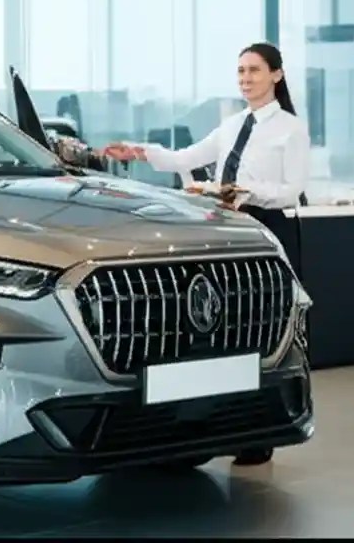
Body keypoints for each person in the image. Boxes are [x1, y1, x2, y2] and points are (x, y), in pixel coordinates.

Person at [103, 41, 309, 468]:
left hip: (266, 228)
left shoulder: (291, 128)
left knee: (263, 329)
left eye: (254, 70)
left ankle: (259, 434)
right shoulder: (232, 125)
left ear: (276, 75)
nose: (246, 79)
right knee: (230, 328)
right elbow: (185, 158)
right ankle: (228, 423)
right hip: (227, 227)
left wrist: (246, 192)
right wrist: (138, 151)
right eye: (240, 72)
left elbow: (292, 191)